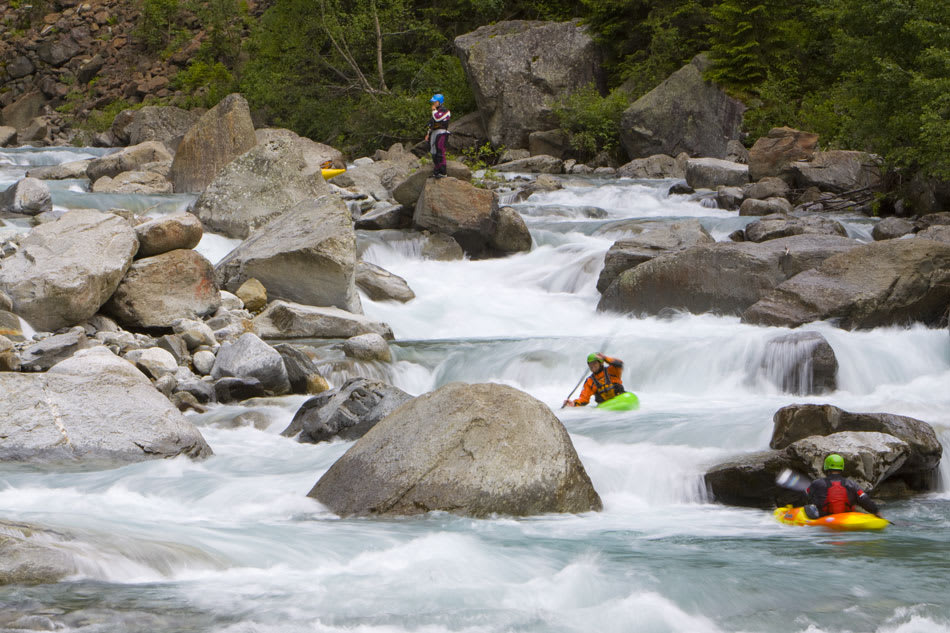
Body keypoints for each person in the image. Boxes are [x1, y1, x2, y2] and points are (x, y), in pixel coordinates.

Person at [804, 453, 880, 519]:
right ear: (841, 467)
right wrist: (876, 511)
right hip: (846, 518)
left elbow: (807, 495)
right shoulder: (851, 484)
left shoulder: (817, 483)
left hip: (824, 518)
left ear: (826, 467)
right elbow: (864, 499)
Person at [424, 93, 451, 178]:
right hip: (434, 132)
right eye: (433, 102)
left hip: (442, 132)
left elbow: (437, 118)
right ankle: (437, 171)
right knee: (433, 152)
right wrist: (428, 134)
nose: (434, 104)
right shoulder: (435, 112)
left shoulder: (445, 111)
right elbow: (431, 124)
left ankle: (443, 172)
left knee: (440, 151)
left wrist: (434, 110)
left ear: (440, 102)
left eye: (435, 102)